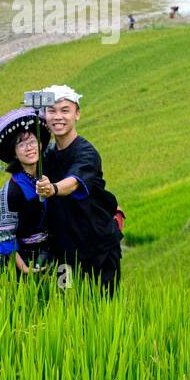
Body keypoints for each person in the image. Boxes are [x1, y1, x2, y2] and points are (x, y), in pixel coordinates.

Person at [33, 84, 122, 294]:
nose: (58, 117)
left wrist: (52, 188)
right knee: (67, 307)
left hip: (98, 248)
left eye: (65, 110)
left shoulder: (86, 153)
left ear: (77, 114)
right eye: (51, 111)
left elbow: (73, 182)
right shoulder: (48, 155)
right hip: (65, 253)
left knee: (104, 309)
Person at [0, 108, 53, 275]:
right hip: (22, 263)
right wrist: (25, 269)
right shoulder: (11, 192)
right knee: (28, 300)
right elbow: (5, 238)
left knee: (58, 297)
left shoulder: (48, 175)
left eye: (32, 142)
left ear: (40, 144)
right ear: (15, 153)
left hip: (49, 254)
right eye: (21, 144)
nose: (28, 148)